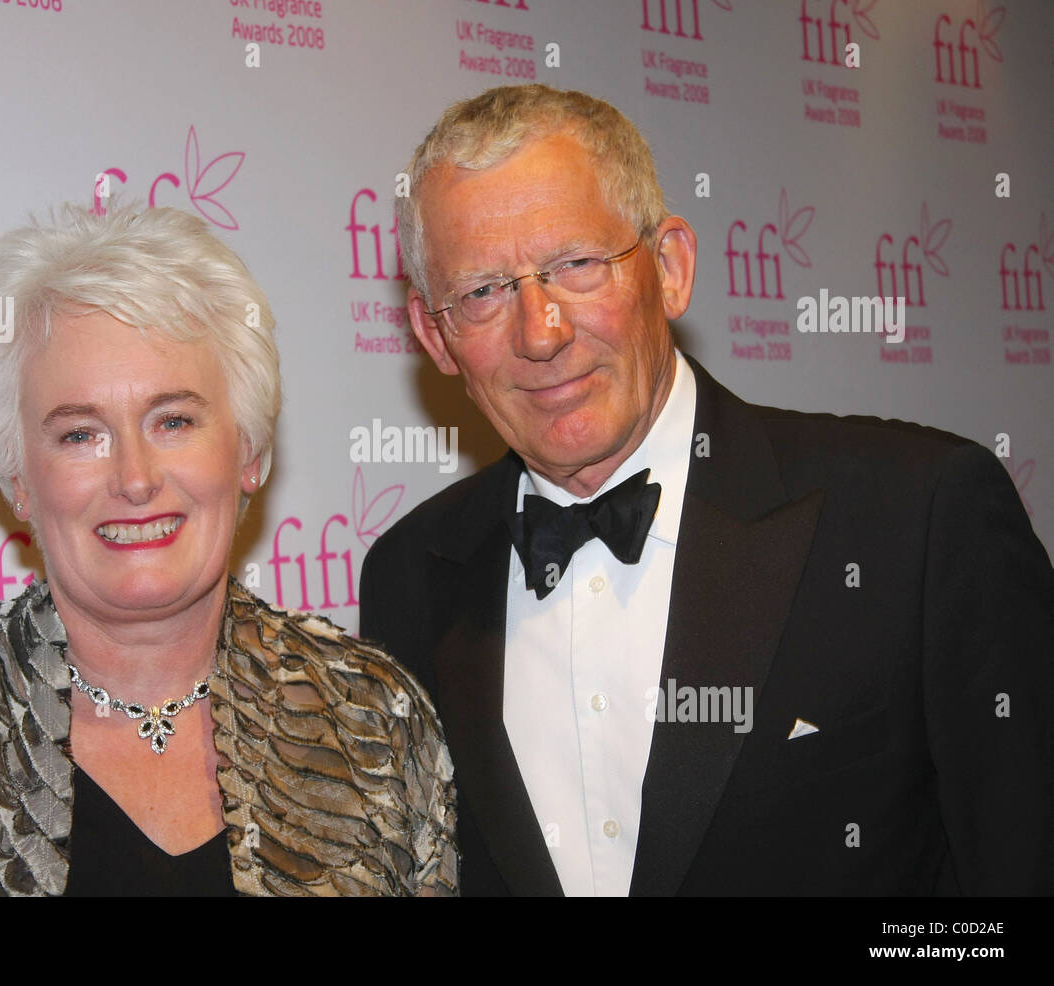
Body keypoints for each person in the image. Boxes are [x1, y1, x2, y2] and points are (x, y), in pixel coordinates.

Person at [358, 84, 1054, 896]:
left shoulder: (920, 518)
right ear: (436, 338)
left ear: (670, 268)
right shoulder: (409, 575)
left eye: (577, 264)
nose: (540, 332)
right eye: (483, 291)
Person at [0, 204, 457, 897]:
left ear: (248, 450)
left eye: (174, 420)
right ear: (17, 477)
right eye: (80, 434)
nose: (135, 479)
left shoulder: (374, 721)